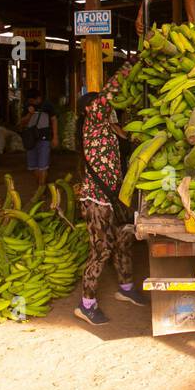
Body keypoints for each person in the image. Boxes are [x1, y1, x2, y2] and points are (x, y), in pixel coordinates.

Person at [73, 57, 147, 325]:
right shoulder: (92, 125)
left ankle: (126, 289)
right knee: (101, 249)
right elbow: (107, 95)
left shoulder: (108, 130)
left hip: (113, 199)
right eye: (101, 107)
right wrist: (128, 66)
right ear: (90, 110)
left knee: (124, 242)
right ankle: (86, 304)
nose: (108, 110)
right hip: (96, 201)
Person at [19, 89, 57, 187]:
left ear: (39, 98)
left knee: (43, 165)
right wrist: (30, 114)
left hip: (45, 138)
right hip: (31, 139)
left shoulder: (47, 105)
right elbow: (22, 122)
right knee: (33, 165)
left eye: (33, 100)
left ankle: (41, 187)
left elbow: (54, 120)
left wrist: (55, 137)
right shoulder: (27, 106)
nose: (31, 102)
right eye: (30, 101)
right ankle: (40, 185)